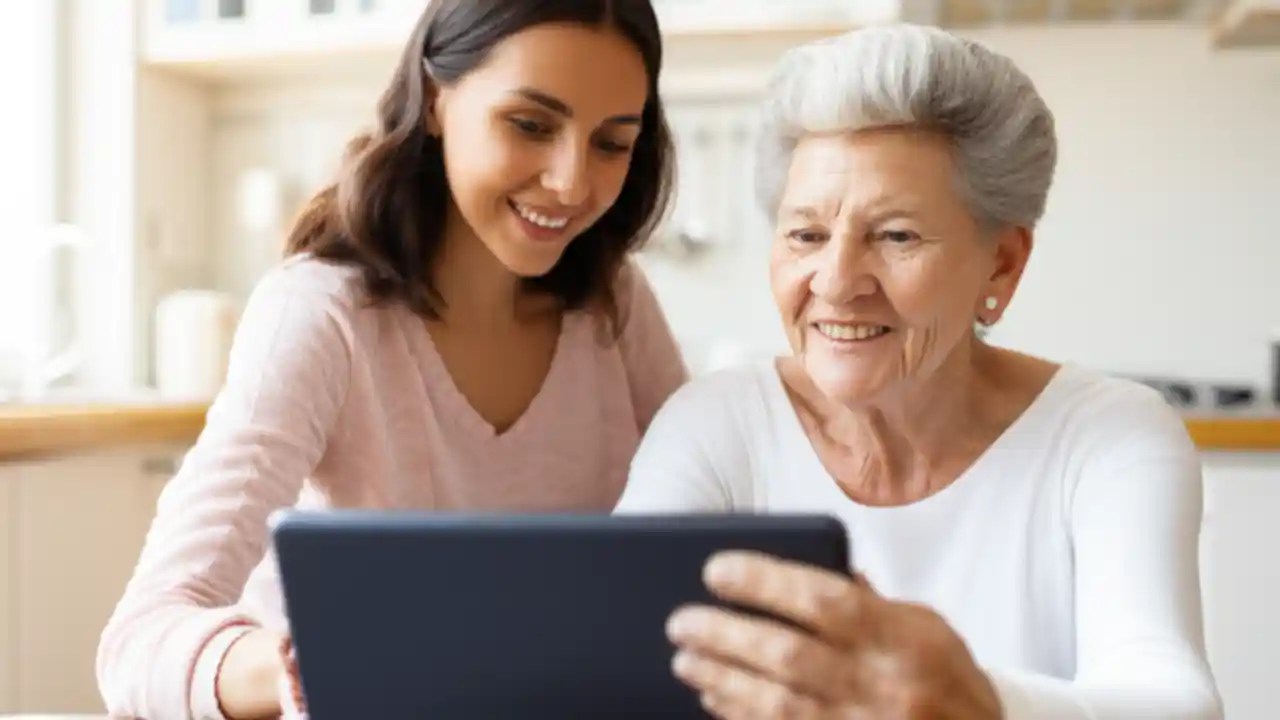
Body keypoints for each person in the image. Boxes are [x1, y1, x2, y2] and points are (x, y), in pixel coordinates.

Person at [97, 1, 687, 718]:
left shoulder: (614, 305)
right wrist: (293, 667)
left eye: (611, 144)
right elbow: (138, 644)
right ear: (436, 99)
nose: (570, 182)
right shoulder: (321, 313)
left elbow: (696, 562)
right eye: (530, 125)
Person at [617, 23, 1223, 720]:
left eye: (896, 235)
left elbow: (1176, 704)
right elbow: (619, 662)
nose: (837, 283)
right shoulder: (716, 424)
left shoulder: (1107, 437)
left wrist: (970, 703)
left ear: (1002, 263)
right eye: (807, 235)